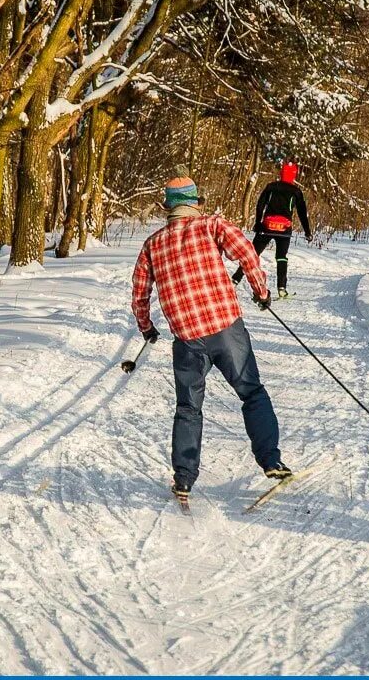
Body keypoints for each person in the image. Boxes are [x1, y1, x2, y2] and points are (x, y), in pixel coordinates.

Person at [132, 176, 291, 501]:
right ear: (195, 203)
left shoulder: (153, 244)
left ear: (168, 208)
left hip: (188, 339)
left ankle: (184, 480)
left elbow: (139, 293)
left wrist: (147, 328)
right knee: (252, 393)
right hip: (226, 329)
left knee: (188, 408)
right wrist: (261, 292)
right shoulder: (211, 226)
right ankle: (272, 461)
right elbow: (247, 253)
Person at [233, 160, 312, 298]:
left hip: (266, 227)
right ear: (294, 175)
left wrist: (258, 222)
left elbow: (260, 204)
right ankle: (282, 288)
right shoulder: (296, 192)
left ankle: (235, 279)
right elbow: (302, 213)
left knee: (252, 255)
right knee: (281, 257)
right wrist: (307, 231)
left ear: (281, 173)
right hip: (284, 230)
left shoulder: (271, 187)